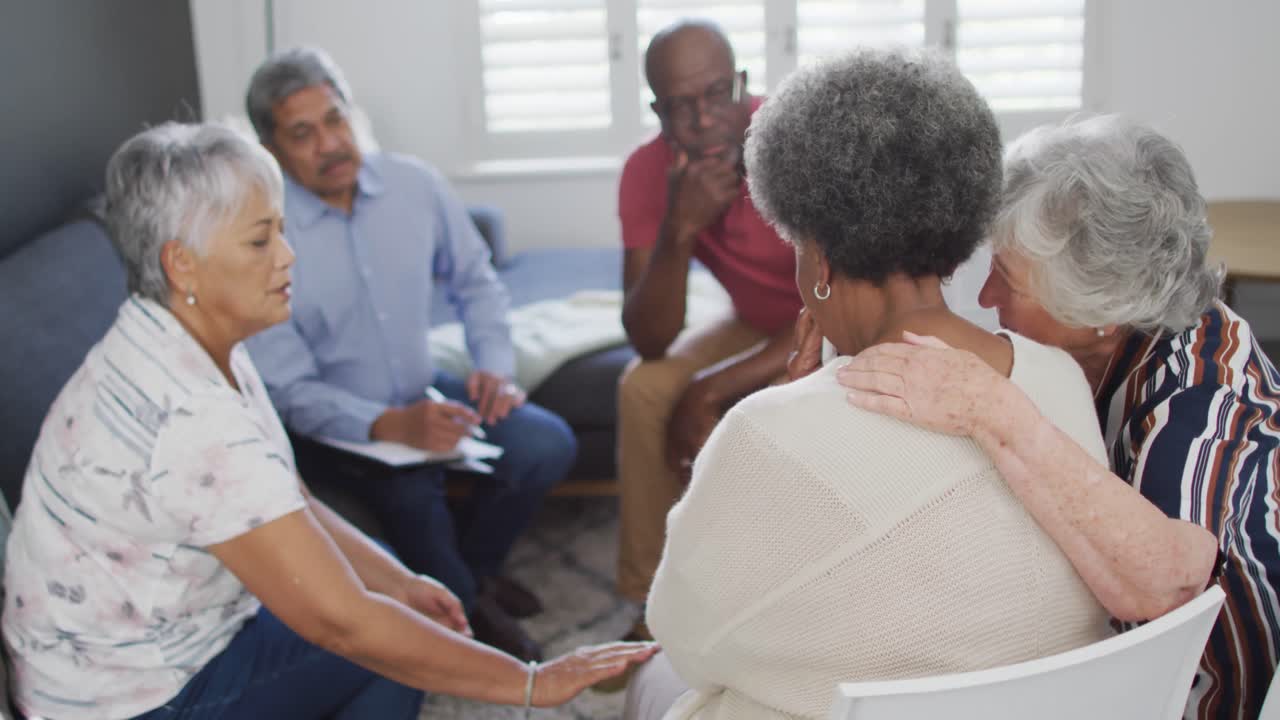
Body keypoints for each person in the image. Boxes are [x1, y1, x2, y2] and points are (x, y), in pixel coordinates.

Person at [0, 123, 656, 720]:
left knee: (395, 607)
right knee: (380, 643)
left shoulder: (186, 334)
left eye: (280, 230)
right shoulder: (193, 418)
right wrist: (532, 681)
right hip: (124, 701)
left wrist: (400, 581)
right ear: (182, 263)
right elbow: (341, 624)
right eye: (261, 240)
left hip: (140, 648)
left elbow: (292, 494)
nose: (288, 257)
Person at [624, 48, 1112, 720]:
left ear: (819, 256)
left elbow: (684, 634)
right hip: (1054, 702)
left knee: (656, 683)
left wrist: (781, 413)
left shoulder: (764, 432)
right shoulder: (1058, 376)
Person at [832, 114, 1279, 720]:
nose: (987, 298)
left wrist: (994, 412)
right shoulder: (1111, 342)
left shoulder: (1198, 411)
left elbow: (1167, 589)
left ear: (1101, 308)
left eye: (1010, 280)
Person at [242, 47, 577, 661]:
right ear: (270, 149)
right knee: (413, 496)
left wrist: (494, 368)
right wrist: (390, 425)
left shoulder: (413, 185)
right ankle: (473, 610)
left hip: (423, 390)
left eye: (336, 120)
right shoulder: (264, 236)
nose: (330, 143)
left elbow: (476, 281)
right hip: (340, 429)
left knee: (544, 444)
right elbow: (289, 392)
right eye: (303, 133)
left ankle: (471, 581)